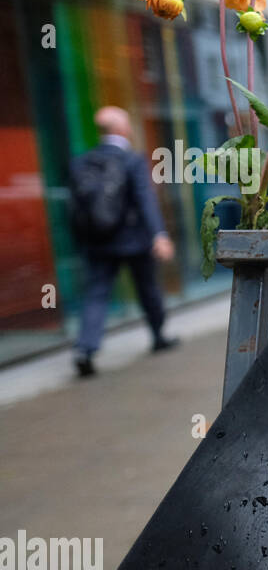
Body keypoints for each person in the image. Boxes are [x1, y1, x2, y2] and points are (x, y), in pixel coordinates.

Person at [70, 106, 178, 377]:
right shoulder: (131, 160)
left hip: (98, 241)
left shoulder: (82, 162)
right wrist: (159, 235)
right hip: (134, 240)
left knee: (96, 295)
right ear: (121, 129)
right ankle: (158, 336)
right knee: (147, 289)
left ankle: (85, 349)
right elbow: (145, 201)